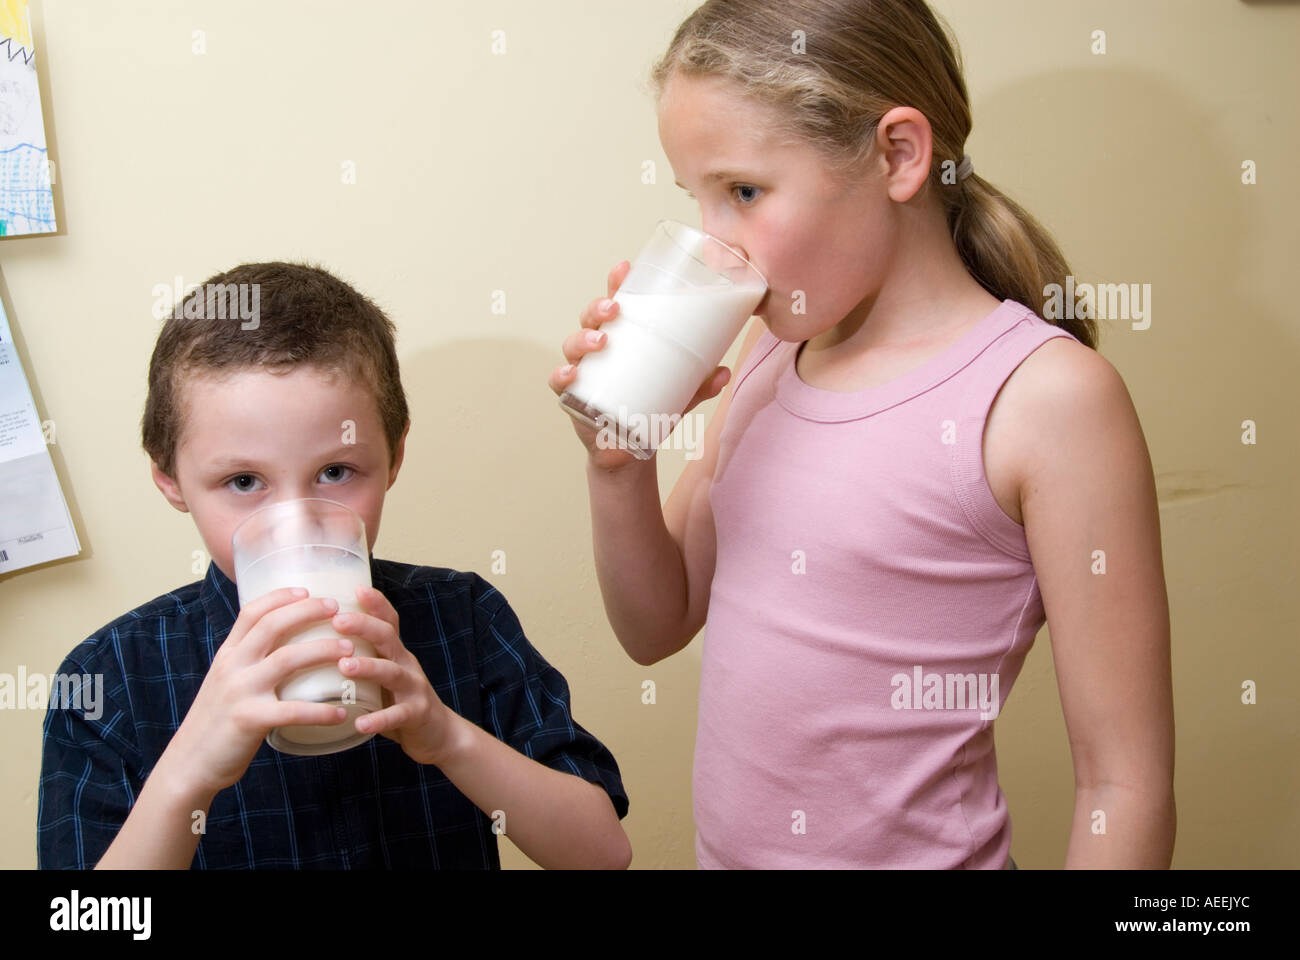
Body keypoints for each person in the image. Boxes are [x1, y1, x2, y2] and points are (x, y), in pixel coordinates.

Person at [550, 0, 1173, 868]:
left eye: (742, 193)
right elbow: (657, 625)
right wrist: (620, 466)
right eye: (697, 200)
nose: (716, 246)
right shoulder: (769, 351)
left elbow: (1124, 785)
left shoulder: (1046, 399)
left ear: (899, 155)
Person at [39, 261, 631, 869]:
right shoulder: (109, 677)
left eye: (335, 472)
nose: (298, 521)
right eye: (244, 481)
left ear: (394, 455)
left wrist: (448, 737)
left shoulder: (462, 616)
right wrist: (185, 774)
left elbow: (602, 855)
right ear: (171, 482)